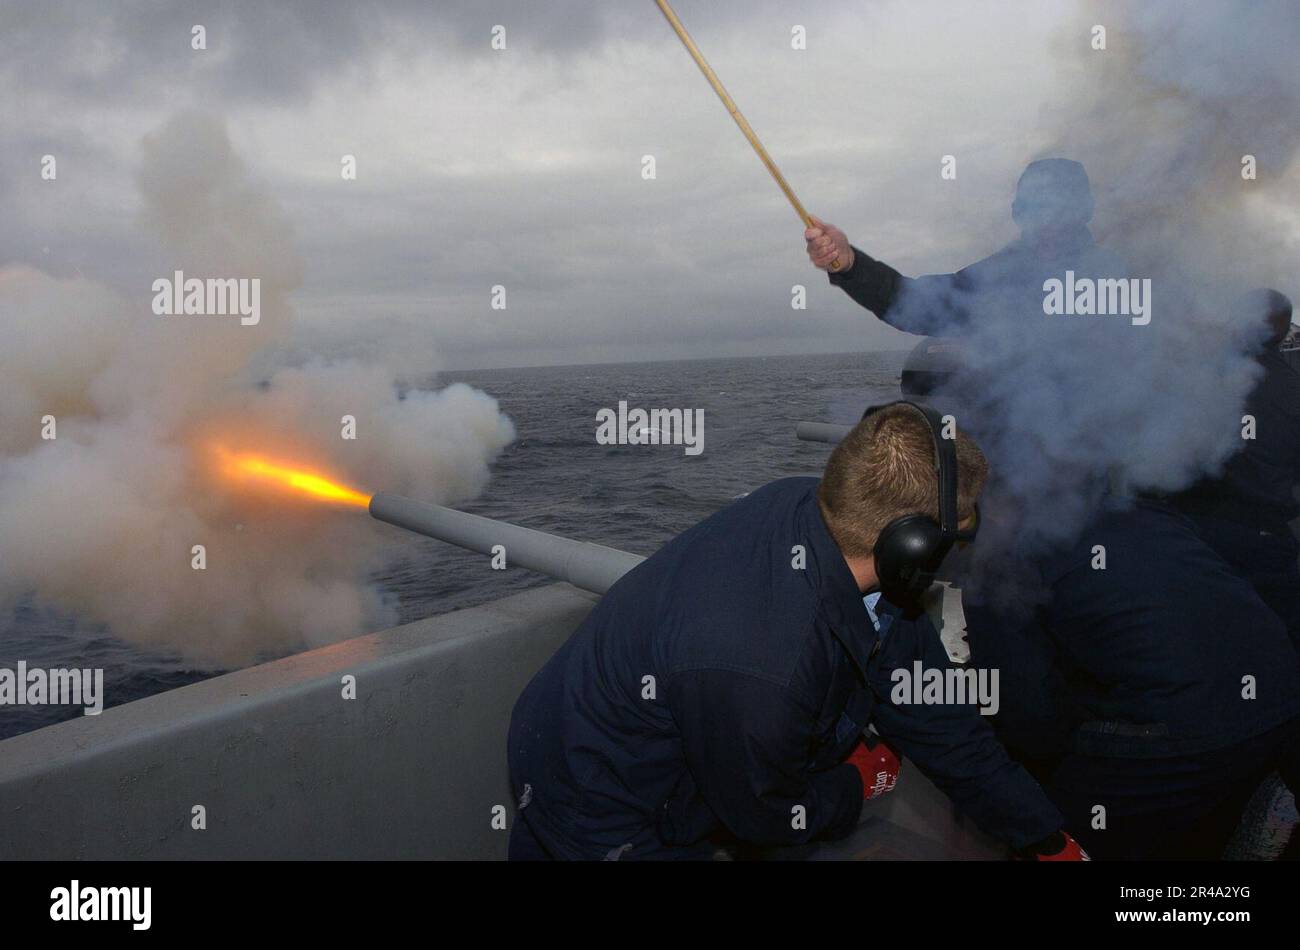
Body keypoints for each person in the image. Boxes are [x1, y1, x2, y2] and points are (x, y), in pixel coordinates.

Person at [507, 403, 1085, 860]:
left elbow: (933, 713)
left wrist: (1043, 837)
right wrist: (855, 785)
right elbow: (763, 814)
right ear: (912, 546)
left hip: (618, 734)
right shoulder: (763, 665)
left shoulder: (815, 512)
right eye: (957, 532)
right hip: (598, 796)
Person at [964, 498, 1300, 859]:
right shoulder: (1134, 509)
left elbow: (1028, 715)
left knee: (1054, 836)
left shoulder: (994, 567)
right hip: (1282, 691)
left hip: (1186, 723)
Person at [805, 158, 1124, 337]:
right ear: (1019, 213)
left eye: (1057, 205)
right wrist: (849, 264)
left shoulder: (1125, 280)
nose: (1046, 219)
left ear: (1083, 209)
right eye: (1034, 206)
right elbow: (916, 305)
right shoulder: (997, 278)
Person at [1173, 289, 1300, 642]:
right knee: (1276, 644)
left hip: (1196, 534)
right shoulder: (1294, 391)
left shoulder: (1197, 379)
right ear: (1285, 329)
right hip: (1265, 543)